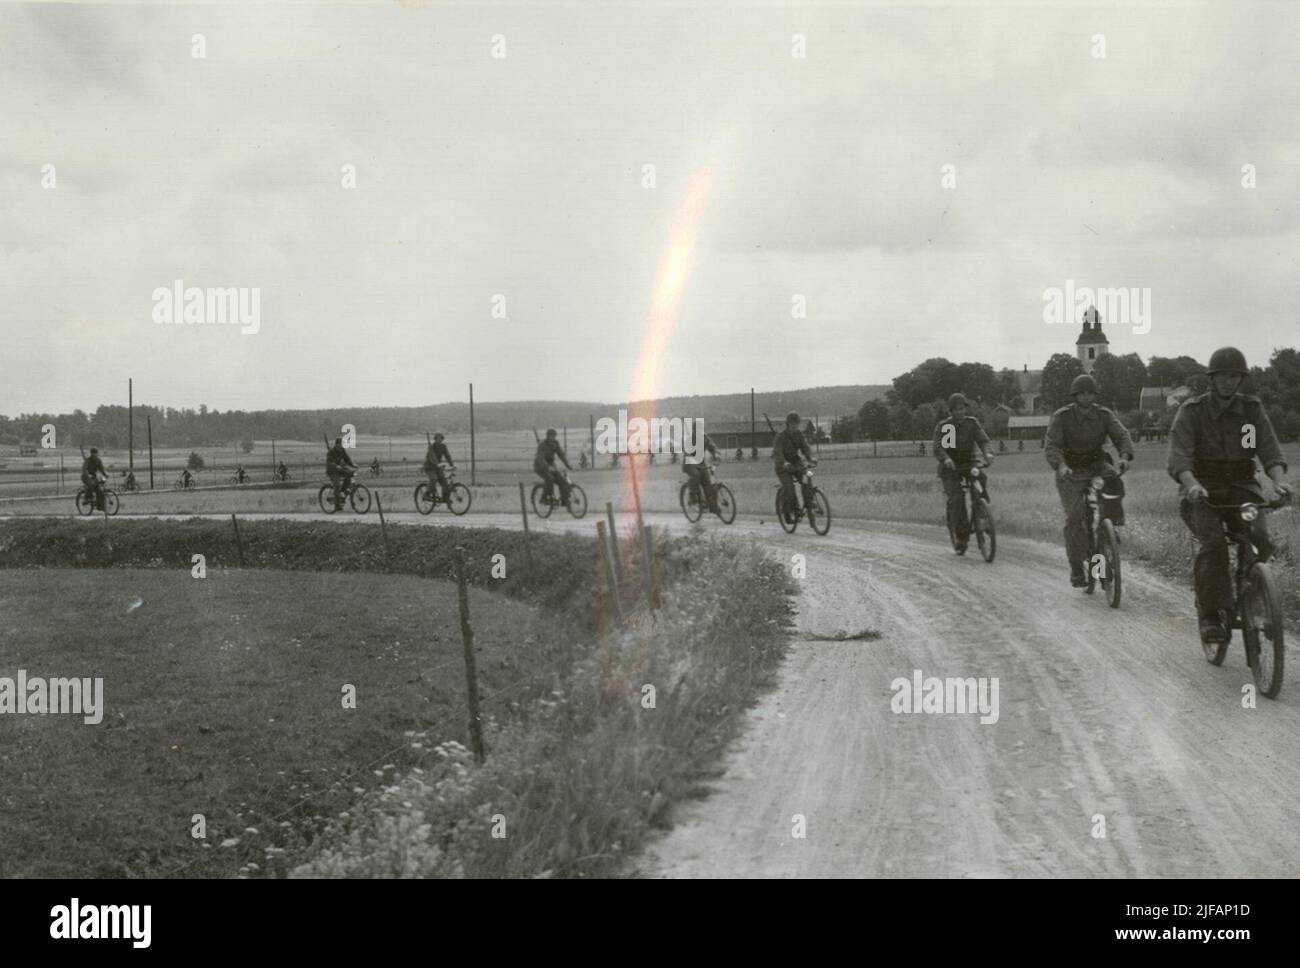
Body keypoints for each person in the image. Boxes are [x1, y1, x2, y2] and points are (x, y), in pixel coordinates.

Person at [1167, 347, 1292, 644]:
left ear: (1241, 380)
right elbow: (1179, 458)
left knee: (1259, 538)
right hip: (1203, 492)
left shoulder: (1250, 411)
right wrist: (1192, 484)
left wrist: (1279, 482)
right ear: (1212, 379)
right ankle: (1210, 615)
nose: (1228, 382)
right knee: (1213, 546)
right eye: (1222, 376)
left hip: (1242, 488)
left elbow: (1268, 450)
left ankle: (1259, 601)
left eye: (1234, 376)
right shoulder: (1192, 412)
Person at [1045, 374, 1135, 587]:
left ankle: (1109, 530)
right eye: (1082, 393)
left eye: (1090, 393)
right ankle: (1077, 567)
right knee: (1075, 519)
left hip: (1096, 464)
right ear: (1075, 395)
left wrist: (1124, 457)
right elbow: (1052, 446)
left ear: (1095, 395)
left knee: (1112, 478)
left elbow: (1122, 436)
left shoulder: (1104, 415)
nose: (1086, 397)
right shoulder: (1062, 416)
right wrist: (1061, 466)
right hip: (1070, 471)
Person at [933, 393, 994, 554]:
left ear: (965, 409)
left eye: (962, 409)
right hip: (951, 467)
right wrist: (946, 459)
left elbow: (983, 441)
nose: (960, 413)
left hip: (969, 463)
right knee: (957, 498)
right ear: (951, 411)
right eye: (956, 410)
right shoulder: (948, 427)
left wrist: (987, 454)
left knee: (981, 476)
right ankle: (961, 536)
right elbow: (941, 448)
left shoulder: (971, 424)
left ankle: (982, 511)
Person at [773, 411, 815, 523]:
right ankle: (787, 513)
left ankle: (809, 503)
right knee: (789, 488)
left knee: (807, 478)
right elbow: (778, 452)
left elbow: (805, 447)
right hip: (782, 467)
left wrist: (810, 458)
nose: (794, 425)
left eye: (796, 423)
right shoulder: (780, 436)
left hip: (796, 464)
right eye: (792, 423)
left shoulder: (799, 434)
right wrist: (784, 463)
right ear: (787, 424)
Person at [683, 432, 721, 511]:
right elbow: (687, 454)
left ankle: (712, 505)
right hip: (689, 464)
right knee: (696, 475)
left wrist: (716, 454)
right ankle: (692, 497)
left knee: (707, 482)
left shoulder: (705, 438)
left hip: (701, 464)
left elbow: (713, 447)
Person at [534, 429, 572, 505]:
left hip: (551, 466)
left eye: (554, 436)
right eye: (551, 436)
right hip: (540, 467)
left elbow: (561, 455)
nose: (552, 438)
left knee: (562, 480)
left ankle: (564, 500)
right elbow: (540, 459)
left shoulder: (555, 444)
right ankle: (544, 498)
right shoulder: (542, 445)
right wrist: (547, 467)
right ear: (547, 436)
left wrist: (568, 464)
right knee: (550, 478)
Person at [423, 433, 455, 504]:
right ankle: (426, 494)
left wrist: (452, 465)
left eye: (441, 438)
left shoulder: (443, 446)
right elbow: (432, 457)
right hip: (429, 467)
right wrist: (437, 464)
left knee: (444, 481)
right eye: (438, 438)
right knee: (434, 478)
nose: (439, 440)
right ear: (435, 439)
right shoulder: (431, 447)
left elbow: (447, 456)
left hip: (438, 467)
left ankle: (445, 498)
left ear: (442, 439)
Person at [326, 436, 357, 508]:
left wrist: (353, 465)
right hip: (332, 471)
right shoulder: (331, 452)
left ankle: (342, 492)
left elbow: (347, 459)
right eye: (339, 445)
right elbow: (329, 462)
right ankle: (337, 506)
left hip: (339, 469)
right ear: (336, 445)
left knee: (349, 474)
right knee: (336, 485)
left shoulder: (342, 450)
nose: (340, 446)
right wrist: (335, 466)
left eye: (341, 444)